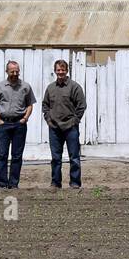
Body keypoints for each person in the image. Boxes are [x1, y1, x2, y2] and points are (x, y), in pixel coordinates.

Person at [42, 59, 86, 189]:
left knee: (74, 157)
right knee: (56, 158)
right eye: (58, 70)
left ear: (67, 71)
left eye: (63, 70)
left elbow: (81, 106)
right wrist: (49, 119)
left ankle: (75, 183)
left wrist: (75, 121)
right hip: (54, 128)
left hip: (70, 127)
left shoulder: (75, 87)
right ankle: (55, 183)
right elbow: (45, 105)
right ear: (55, 71)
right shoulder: (50, 88)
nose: (60, 72)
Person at [0, 60, 35, 189]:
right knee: (2, 155)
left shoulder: (25, 87)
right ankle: (1, 183)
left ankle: (13, 184)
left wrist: (25, 118)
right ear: (7, 71)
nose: (15, 74)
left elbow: (30, 105)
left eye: (17, 71)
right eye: (12, 71)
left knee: (17, 156)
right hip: (4, 124)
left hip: (19, 125)